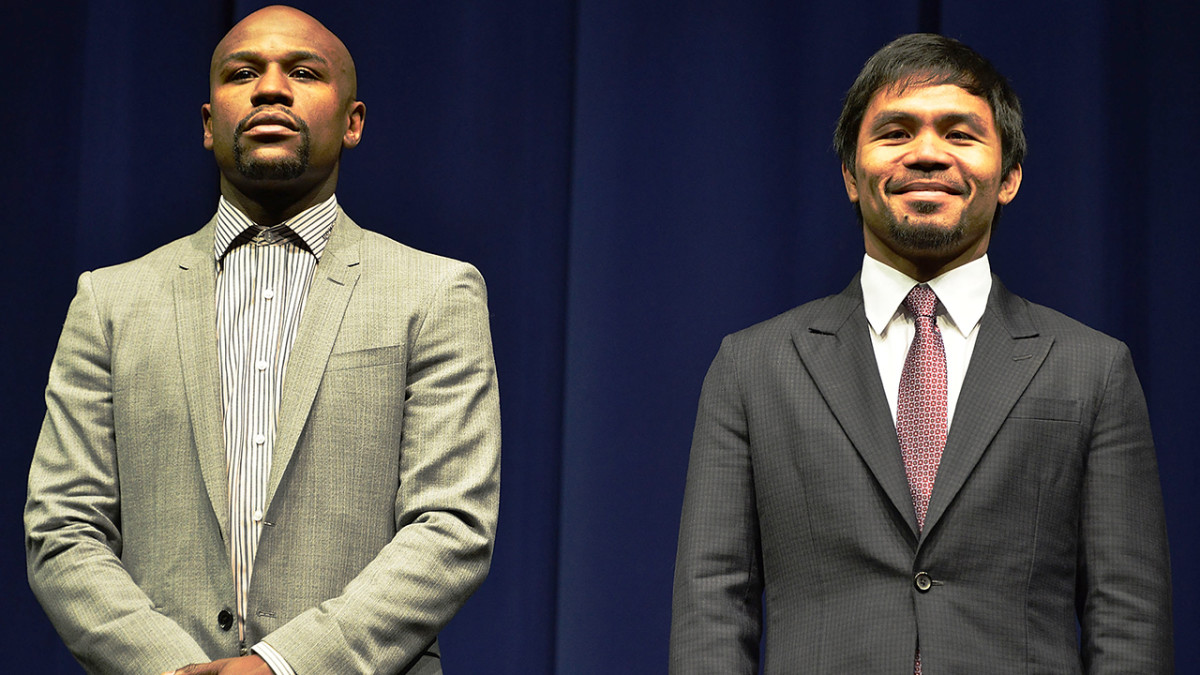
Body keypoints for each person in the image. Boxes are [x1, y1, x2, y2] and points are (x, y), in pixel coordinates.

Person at [670, 33, 1172, 673]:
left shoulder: (1094, 370)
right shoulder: (752, 367)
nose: (928, 154)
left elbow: (1127, 616)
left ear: (1010, 175)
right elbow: (712, 607)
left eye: (961, 134)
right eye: (896, 132)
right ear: (851, 175)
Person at [25, 6, 499, 675]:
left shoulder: (435, 293)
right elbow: (62, 529)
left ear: (354, 121)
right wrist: (168, 667)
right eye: (242, 72)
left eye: (304, 72)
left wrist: (283, 664)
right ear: (208, 122)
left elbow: (451, 528)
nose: (270, 88)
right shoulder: (110, 302)